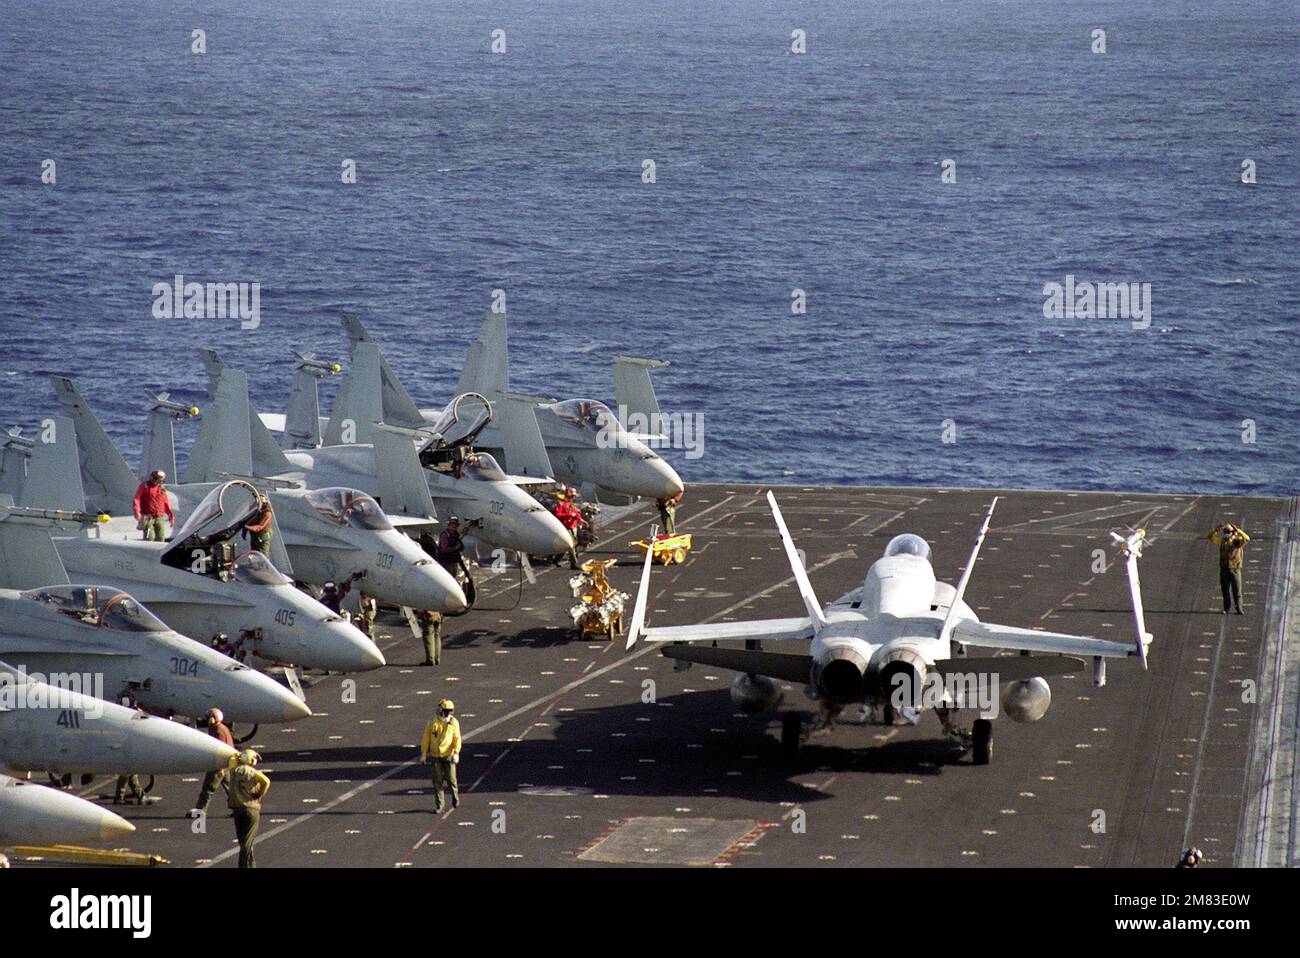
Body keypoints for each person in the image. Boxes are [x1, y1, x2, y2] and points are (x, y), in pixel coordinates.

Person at [223, 749, 271, 869]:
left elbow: (233, 757)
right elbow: (266, 781)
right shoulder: (252, 772)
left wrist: (241, 755)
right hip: (251, 808)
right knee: (248, 842)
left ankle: (251, 864)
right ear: (252, 760)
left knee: (243, 840)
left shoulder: (233, 770)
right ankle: (244, 865)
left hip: (237, 809)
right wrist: (260, 793)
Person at [420, 699, 462, 812]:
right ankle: (440, 805)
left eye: (449, 711)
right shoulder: (433, 722)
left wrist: (456, 753)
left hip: (448, 754)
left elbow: (457, 739)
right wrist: (423, 753)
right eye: (445, 710)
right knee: (437, 780)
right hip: (435, 755)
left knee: (451, 778)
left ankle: (455, 796)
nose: (447, 713)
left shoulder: (453, 723)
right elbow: (426, 738)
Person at [192, 708, 236, 813]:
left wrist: (219, 767)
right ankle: (238, 809)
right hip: (227, 763)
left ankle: (200, 810)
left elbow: (219, 750)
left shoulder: (218, 731)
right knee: (230, 788)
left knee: (208, 788)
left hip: (219, 764)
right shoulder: (220, 728)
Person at [1207, 523, 1250, 614]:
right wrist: (1215, 530)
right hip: (1224, 569)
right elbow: (1210, 538)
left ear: (1232, 532)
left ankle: (1239, 608)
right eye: (1225, 531)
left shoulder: (1237, 541)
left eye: (1228, 531)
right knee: (1225, 590)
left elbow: (1247, 539)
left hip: (1235, 569)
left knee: (1237, 591)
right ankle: (1226, 608)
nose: (1226, 533)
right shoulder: (1222, 541)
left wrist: (1238, 530)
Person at [132, 469, 175, 542]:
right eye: (158, 480)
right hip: (147, 518)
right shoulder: (144, 486)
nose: (159, 482)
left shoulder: (161, 488)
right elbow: (137, 499)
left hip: (159, 517)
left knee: (161, 537)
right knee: (149, 537)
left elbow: (166, 502)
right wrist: (137, 511)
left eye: (161, 481)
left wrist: (171, 516)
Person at [552, 493, 587, 569]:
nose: (573, 498)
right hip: (566, 527)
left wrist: (581, 520)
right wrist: (569, 514)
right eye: (572, 496)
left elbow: (576, 513)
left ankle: (556, 559)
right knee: (571, 545)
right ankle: (574, 564)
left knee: (570, 545)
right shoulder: (561, 504)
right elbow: (558, 515)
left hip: (573, 526)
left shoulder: (571, 504)